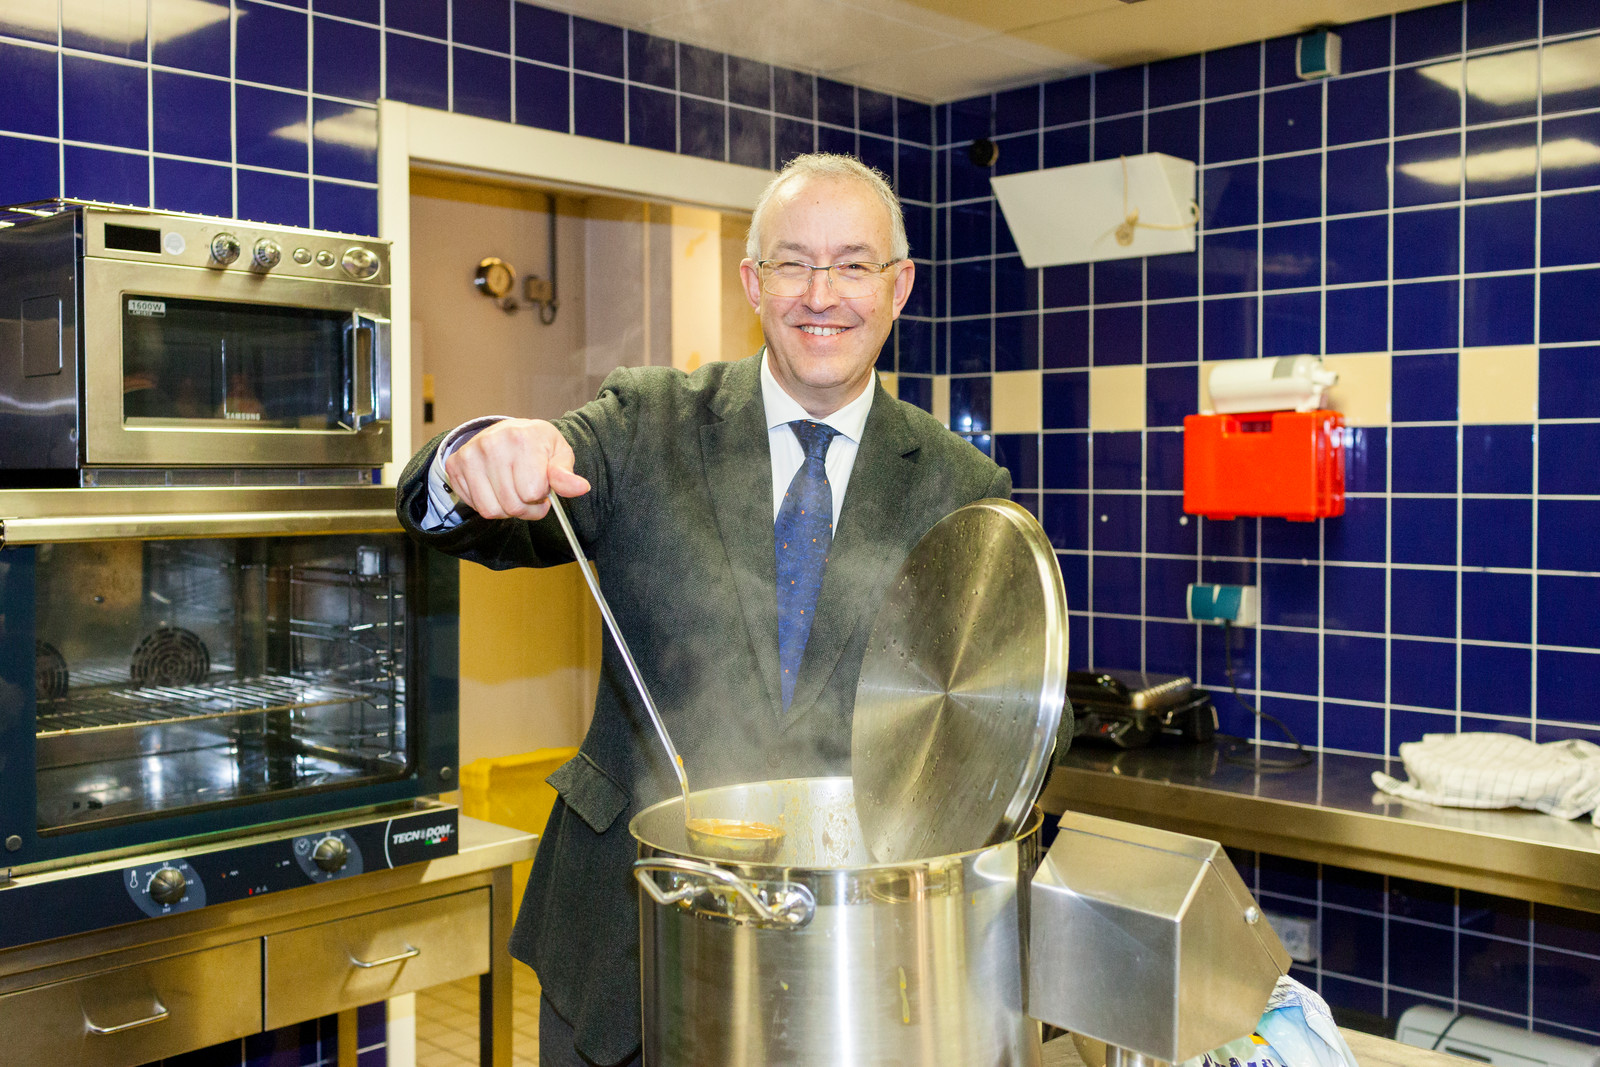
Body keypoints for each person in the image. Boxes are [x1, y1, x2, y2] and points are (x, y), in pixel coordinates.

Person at [395, 153, 1011, 1066]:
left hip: (842, 958)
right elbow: (466, 498)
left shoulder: (963, 486)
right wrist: (472, 455)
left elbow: (1007, 710)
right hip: (621, 940)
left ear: (900, 287)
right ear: (751, 283)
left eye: (853, 264)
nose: (822, 293)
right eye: (792, 263)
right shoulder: (648, 421)